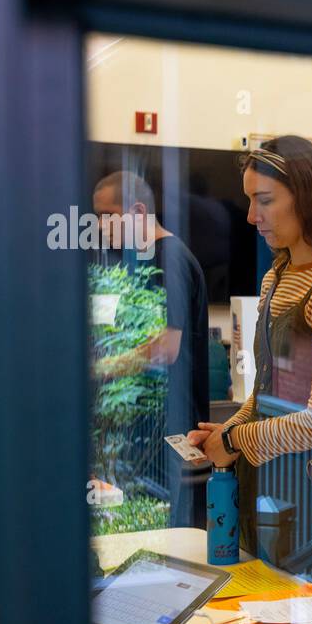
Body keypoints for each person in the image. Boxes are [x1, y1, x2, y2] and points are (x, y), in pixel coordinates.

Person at [187, 136, 312, 600]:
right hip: (273, 478)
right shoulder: (277, 276)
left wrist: (234, 440)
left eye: (265, 200)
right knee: (264, 613)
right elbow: (266, 392)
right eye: (250, 201)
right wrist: (227, 429)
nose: (252, 216)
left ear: (309, 197)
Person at [93, 171, 209, 529]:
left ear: (137, 210)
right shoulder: (137, 262)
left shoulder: (171, 258)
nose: (100, 228)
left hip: (172, 429)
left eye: (106, 217)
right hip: (144, 435)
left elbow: (167, 346)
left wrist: (104, 368)